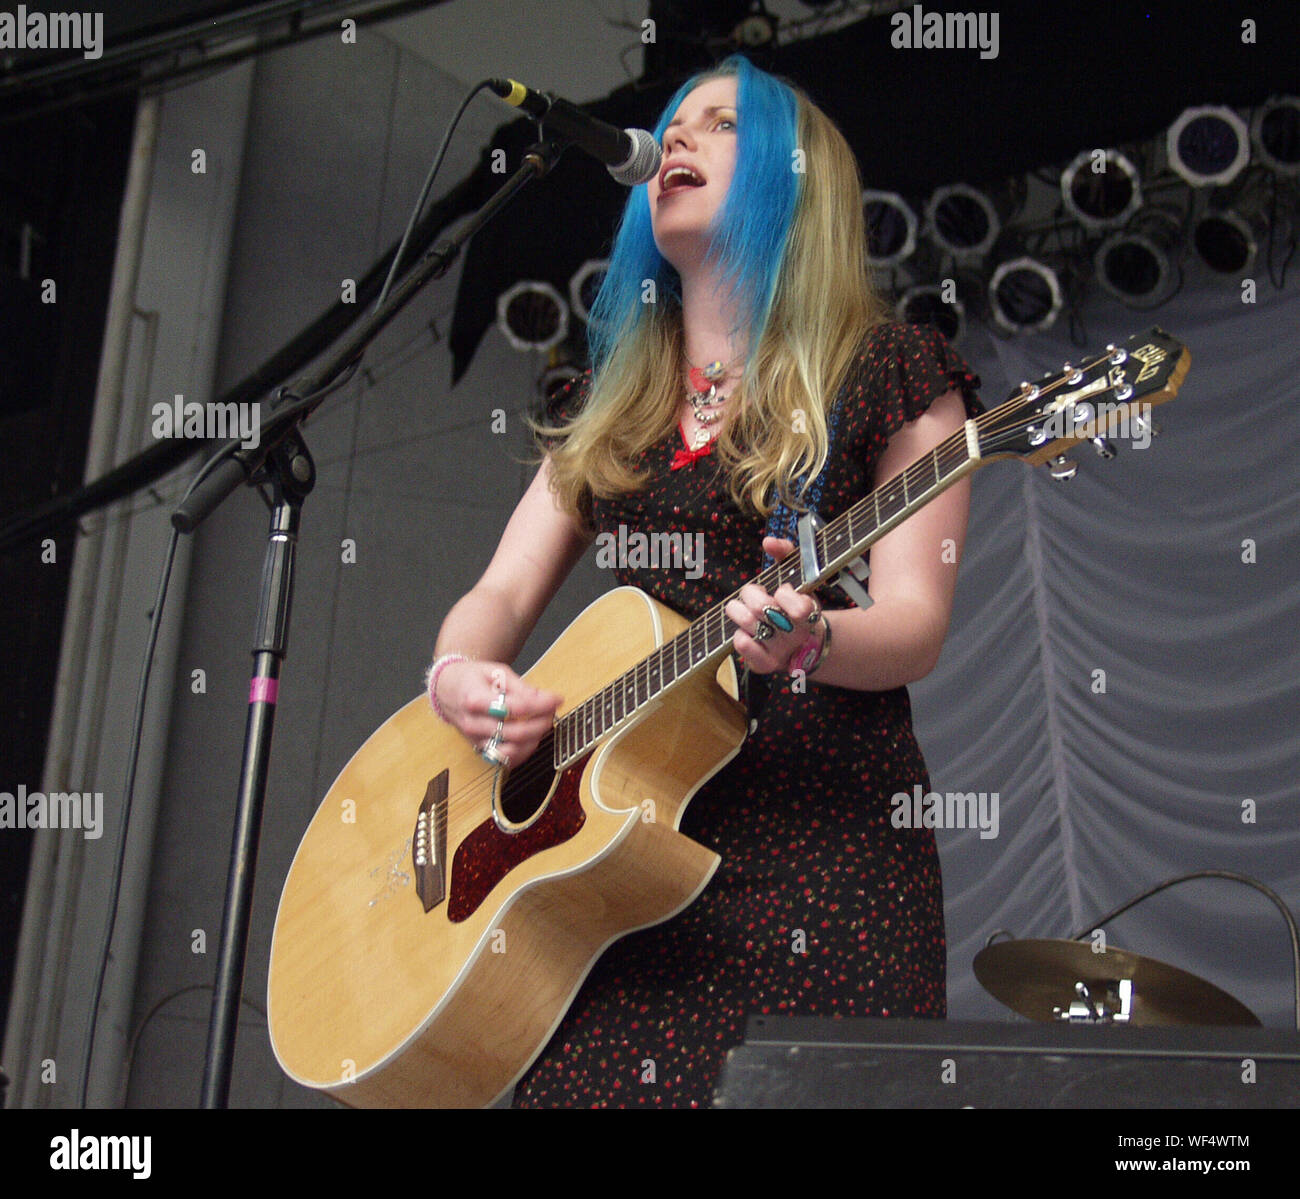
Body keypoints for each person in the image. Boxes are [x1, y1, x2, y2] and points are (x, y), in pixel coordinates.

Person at [425, 54, 982, 1108]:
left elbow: (915, 621)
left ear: (794, 180)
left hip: (820, 856)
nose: (676, 137)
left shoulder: (889, 365)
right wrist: (458, 672)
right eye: (674, 122)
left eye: (721, 124)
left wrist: (813, 638)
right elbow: (498, 593)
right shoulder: (610, 400)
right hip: (609, 870)